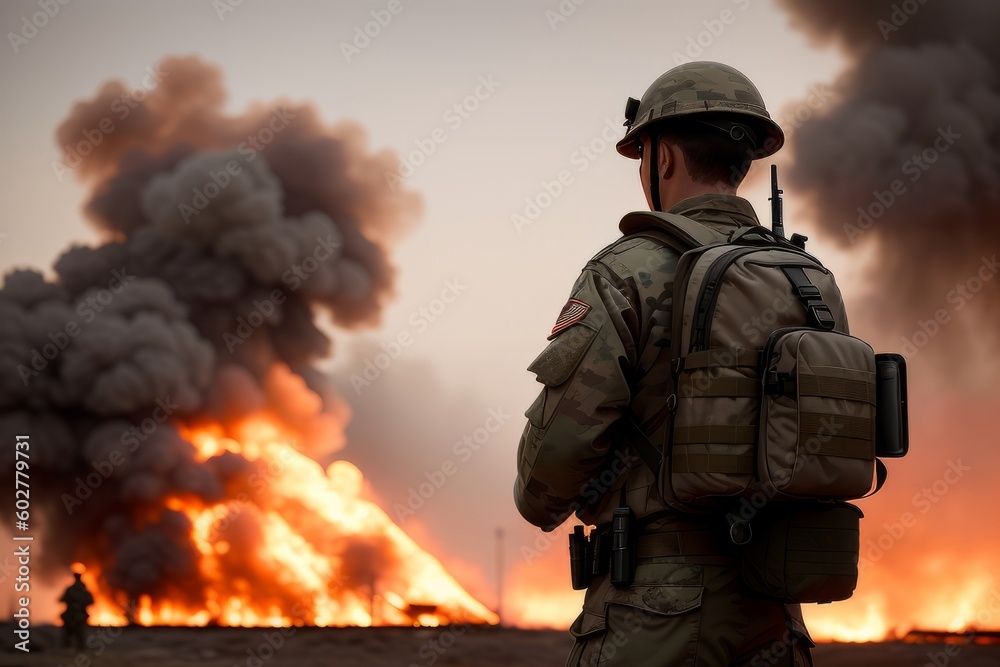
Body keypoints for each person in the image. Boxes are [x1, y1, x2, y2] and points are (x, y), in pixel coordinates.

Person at [513, 62, 813, 666]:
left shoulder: (626, 271)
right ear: (746, 160)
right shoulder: (804, 281)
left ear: (662, 157)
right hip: (775, 613)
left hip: (656, 616)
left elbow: (550, 475)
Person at [60, 571, 95, 651]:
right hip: (78, 616)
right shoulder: (84, 591)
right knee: (77, 635)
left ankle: (67, 650)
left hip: (72, 615)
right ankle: (77, 650)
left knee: (71, 635)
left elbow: (63, 599)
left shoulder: (71, 589)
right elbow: (91, 601)